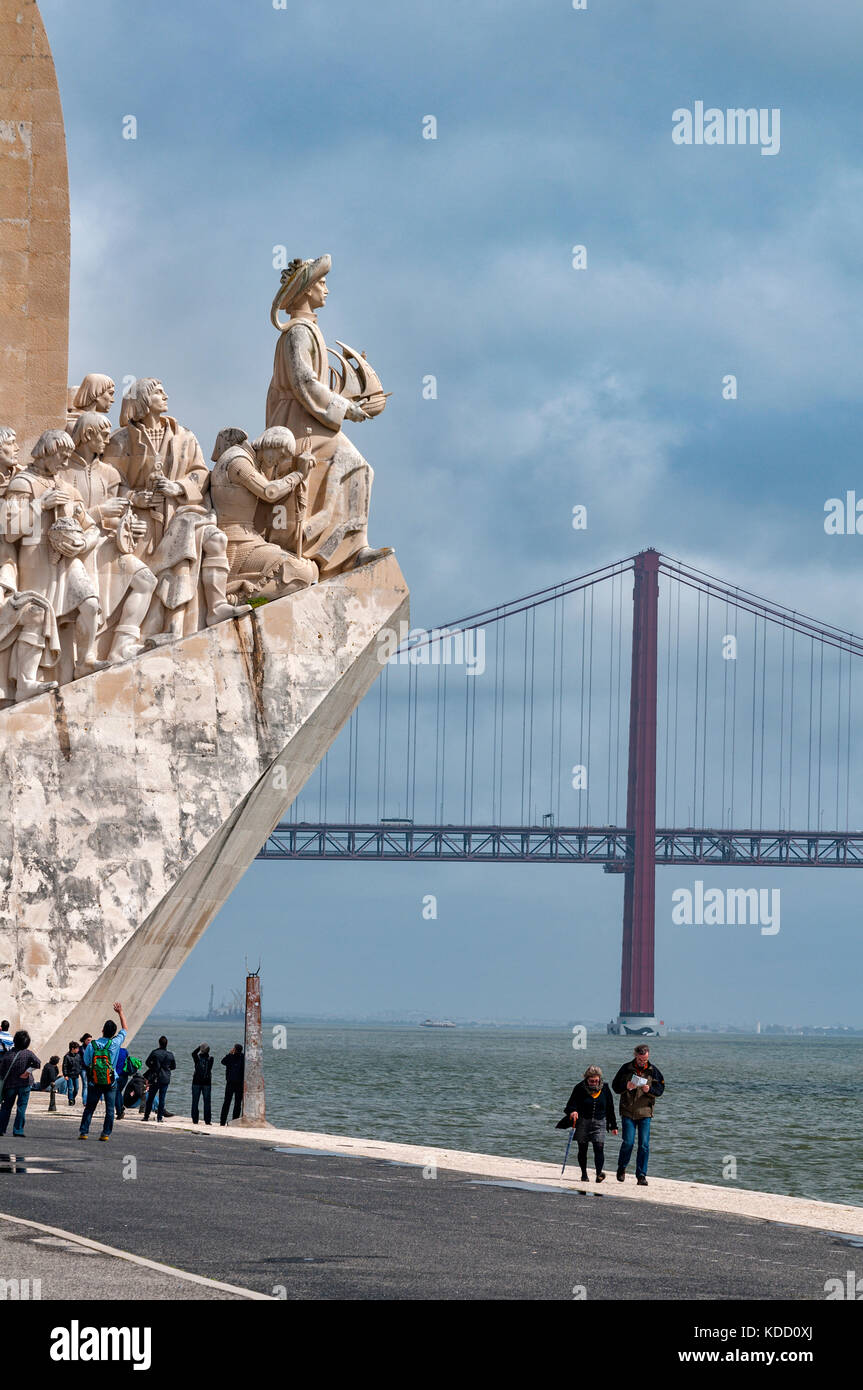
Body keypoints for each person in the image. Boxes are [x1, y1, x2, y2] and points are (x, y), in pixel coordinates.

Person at [611, 1043, 665, 1187]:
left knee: (644, 1145)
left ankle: (641, 1175)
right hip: (627, 1110)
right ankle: (622, 1168)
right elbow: (615, 1086)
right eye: (640, 1059)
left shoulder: (653, 1071)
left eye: (645, 1059)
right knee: (628, 1142)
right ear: (635, 1056)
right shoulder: (626, 1068)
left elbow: (661, 1089)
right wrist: (626, 1086)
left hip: (645, 1112)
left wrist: (650, 1089)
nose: (643, 1062)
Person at [555, 1064, 618, 1183]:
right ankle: (584, 1174)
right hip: (582, 1122)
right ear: (586, 1079)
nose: (594, 1083)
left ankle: (599, 1173)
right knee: (582, 1149)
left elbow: (610, 1108)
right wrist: (573, 1111)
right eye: (591, 1081)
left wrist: (613, 1125)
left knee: (599, 1147)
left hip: (600, 1122)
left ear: (599, 1079)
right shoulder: (579, 1088)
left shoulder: (605, 1088)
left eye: (596, 1080)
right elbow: (570, 1105)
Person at [78, 1002, 127, 1141]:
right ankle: (105, 1134)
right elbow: (125, 1029)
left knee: (90, 1107)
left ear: (102, 1030)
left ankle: (84, 1132)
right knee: (110, 1110)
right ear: (113, 1033)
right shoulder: (115, 1043)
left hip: (94, 1081)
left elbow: (87, 1062)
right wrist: (120, 1012)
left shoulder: (92, 1045)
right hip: (111, 1080)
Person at [0, 1030, 41, 1137]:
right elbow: (38, 1063)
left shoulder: (7, 1055)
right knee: (21, 1107)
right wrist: (27, 1072)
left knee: (6, 1107)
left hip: (10, 1085)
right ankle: (18, 1130)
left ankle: (1, 1128)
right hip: (24, 1084)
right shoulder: (28, 1053)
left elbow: (1, 1071)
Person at [142, 1036, 176, 1122]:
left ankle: (146, 1116)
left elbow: (147, 1062)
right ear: (166, 1044)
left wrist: (153, 1068)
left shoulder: (155, 1053)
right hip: (165, 1079)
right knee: (162, 1098)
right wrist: (167, 1070)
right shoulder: (170, 1055)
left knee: (150, 1098)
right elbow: (173, 1067)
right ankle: (159, 1118)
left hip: (155, 1078)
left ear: (159, 1043)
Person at [220, 1044, 244, 1125]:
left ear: (234, 1049)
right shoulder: (243, 1057)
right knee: (237, 1104)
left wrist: (229, 1053)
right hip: (240, 1084)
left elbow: (223, 1062)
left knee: (226, 1103)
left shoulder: (230, 1057)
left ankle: (222, 1122)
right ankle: (234, 1122)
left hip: (230, 1083)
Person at [191, 1044, 213, 1125]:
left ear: (201, 1050)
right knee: (207, 1102)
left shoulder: (197, 1058)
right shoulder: (211, 1059)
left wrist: (199, 1047)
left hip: (196, 1082)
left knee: (195, 1101)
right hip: (207, 1082)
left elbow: (193, 1053)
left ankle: (195, 1119)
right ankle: (207, 1120)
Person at [62, 1041, 83, 1105]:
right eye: (77, 1048)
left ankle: (73, 1097)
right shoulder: (67, 1056)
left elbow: (80, 1064)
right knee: (70, 1088)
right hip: (69, 1075)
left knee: (76, 1088)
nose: (78, 1050)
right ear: (72, 1049)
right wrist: (65, 1075)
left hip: (76, 1075)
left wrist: (79, 1070)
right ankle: (70, 1100)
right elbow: (64, 1066)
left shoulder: (78, 1056)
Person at [78, 1034, 92, 1106]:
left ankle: (88, 1099)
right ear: (84, 1040)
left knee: (90, 1084)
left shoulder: (91, 1048)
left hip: (90, 1068)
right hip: (83, 1068)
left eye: (90, 1040)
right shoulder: (80, 1049)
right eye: (88, 1040)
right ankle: (85, 1101)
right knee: (85, 1084)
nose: (90, 1042)